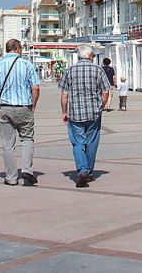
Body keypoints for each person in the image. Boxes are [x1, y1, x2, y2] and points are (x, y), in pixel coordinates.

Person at [0, 39, 41, 186]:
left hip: (5, 107)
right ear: (17, 48)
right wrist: (33, 105)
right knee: (27, 139)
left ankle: (11, 177)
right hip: (25, 106)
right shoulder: (27, 64)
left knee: (7, 144)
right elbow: (35, 88)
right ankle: (27, 170)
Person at [60, 45, 111, 187]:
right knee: (92, 142)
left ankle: (82, 169)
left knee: (77, 142)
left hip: (75, 113)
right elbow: (105, 91)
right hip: (94, 113)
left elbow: (64, 95)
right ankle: (88, 172)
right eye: (93, 55)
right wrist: (101, 104)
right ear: (90, 56)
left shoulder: (70, 70)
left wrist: (64, 111)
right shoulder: (98, 70)